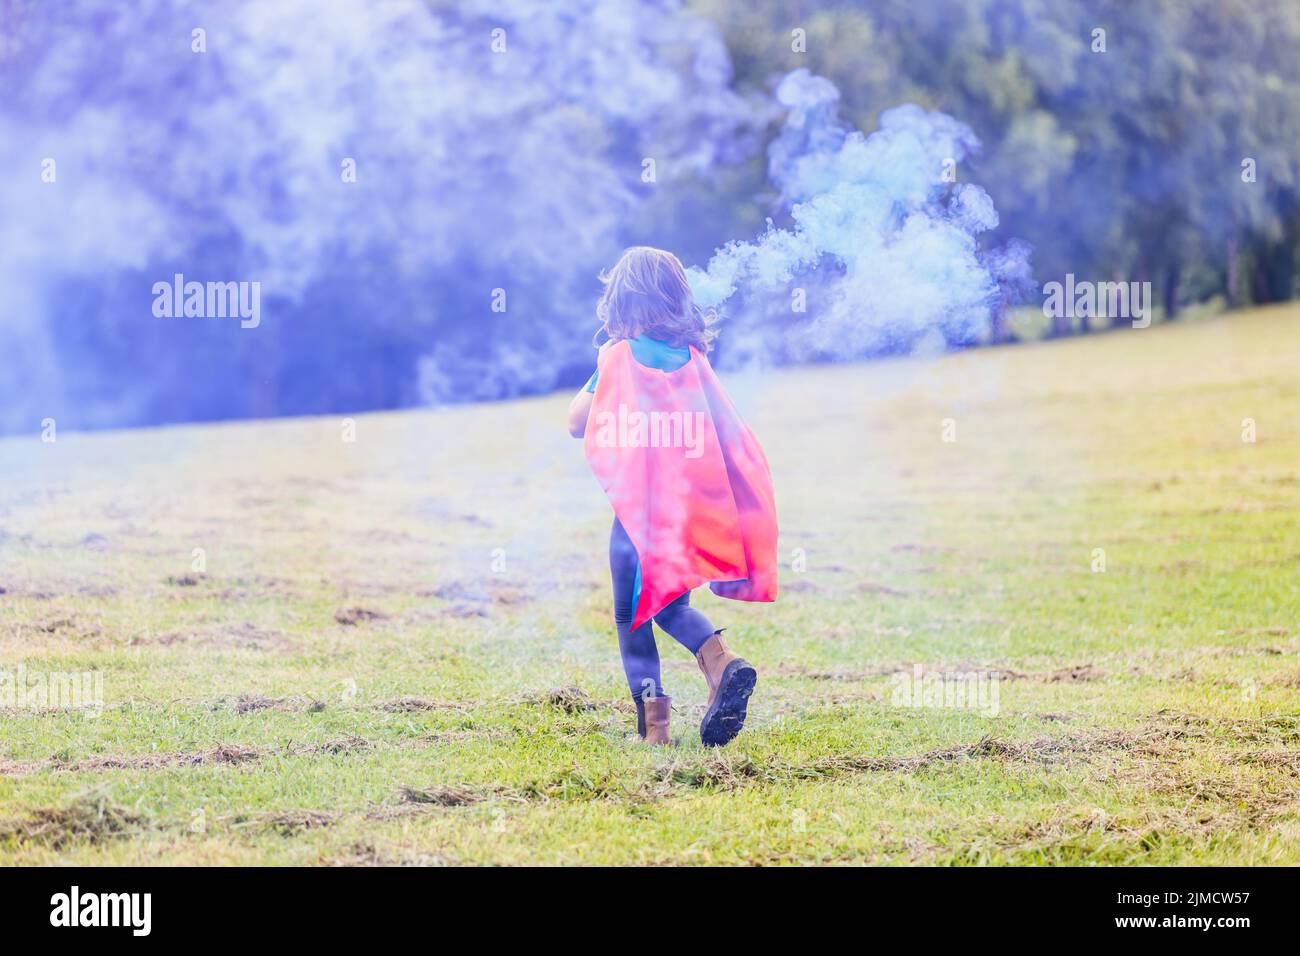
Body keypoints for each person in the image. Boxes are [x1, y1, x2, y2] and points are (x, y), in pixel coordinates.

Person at [567, 246, 778, 746]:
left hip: (641, 514)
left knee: (630, 615)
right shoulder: (692, 359)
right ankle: (722, 663)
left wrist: (599, 371)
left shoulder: (617, 358)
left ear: (622, 301)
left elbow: (577, 422)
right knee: (668, 605)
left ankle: (654, 729)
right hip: (689, 510)